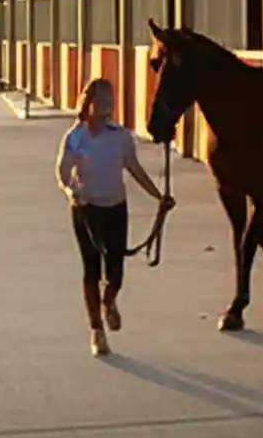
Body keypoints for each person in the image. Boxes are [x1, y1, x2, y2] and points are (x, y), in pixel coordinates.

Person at [55, 78, 175, 357]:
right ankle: (96, 330)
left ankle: (109, 301)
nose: (108, 104)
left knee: (116, 272)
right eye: (103, 99)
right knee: (91, 269)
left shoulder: (121, 136)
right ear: (89, 102)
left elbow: (134, 168)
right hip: (85, 210)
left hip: (115, 208)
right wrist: (73, 192)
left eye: (111, 98)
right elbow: (61, 173)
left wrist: (159, 196)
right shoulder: (75, 136)